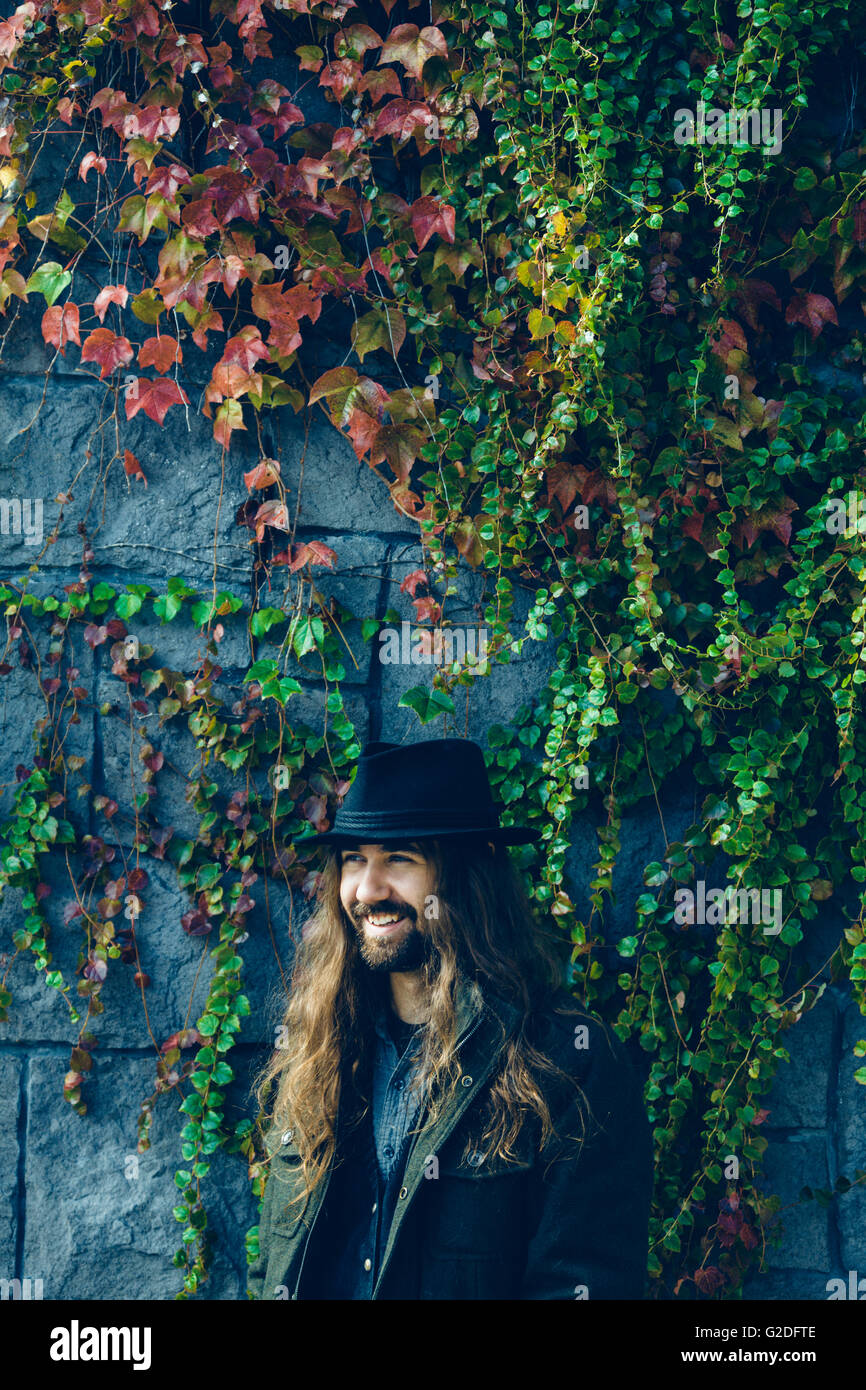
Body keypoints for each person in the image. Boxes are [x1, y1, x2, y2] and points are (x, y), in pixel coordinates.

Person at [247, 738, 653, 1300]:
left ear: (466, 875)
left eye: (400, 858)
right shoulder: (319, 1046)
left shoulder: (569, 1062)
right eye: (354, 859)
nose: (367, 889)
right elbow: (271, 1267)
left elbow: (584, 1286)